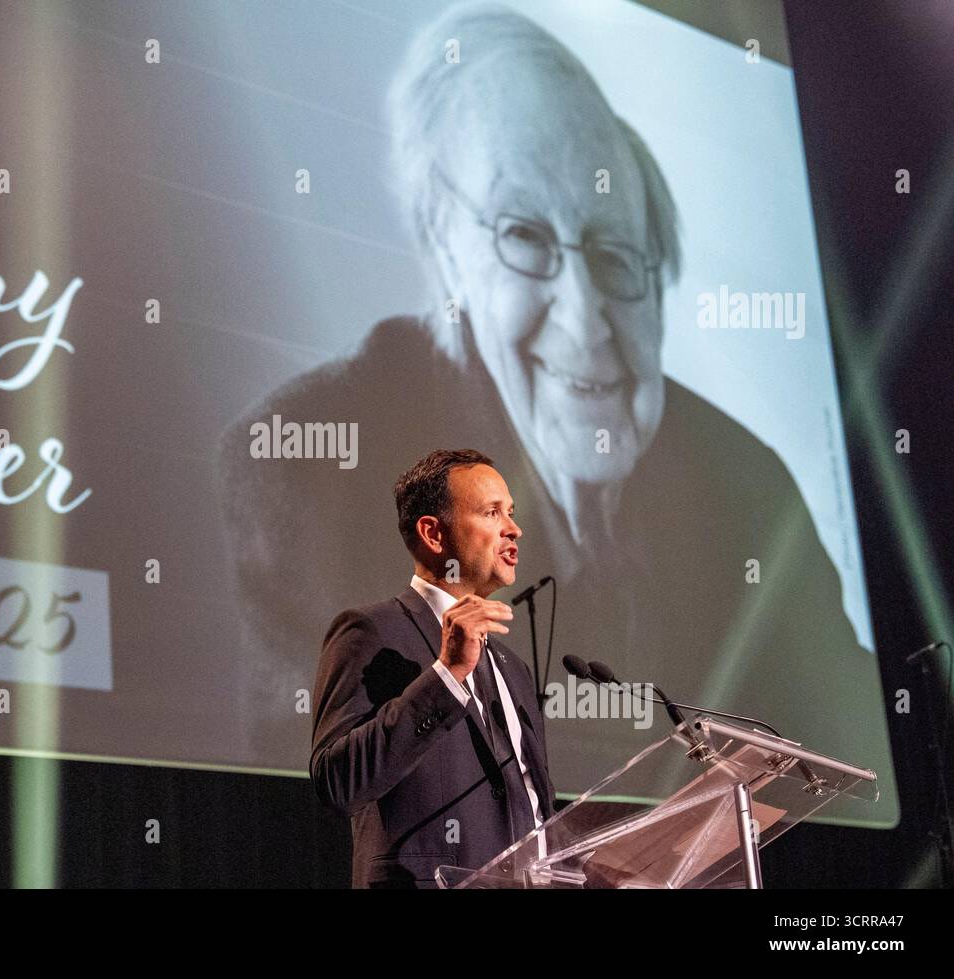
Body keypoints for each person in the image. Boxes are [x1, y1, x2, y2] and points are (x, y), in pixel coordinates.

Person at [218, 2, 889, 811]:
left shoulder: (747, 482)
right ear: (444, 247)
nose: (585, 318)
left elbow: (845, 750)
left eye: (615, 255)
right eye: (527, 238)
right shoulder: (302, 469)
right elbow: (328, 787)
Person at [311, 448, 555, 888]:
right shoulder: (372, 632)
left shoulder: (513, 668)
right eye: (492, 512)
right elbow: (338, 781)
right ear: (433, 533)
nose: (514, 529)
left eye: (511, 513)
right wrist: (447, 674)